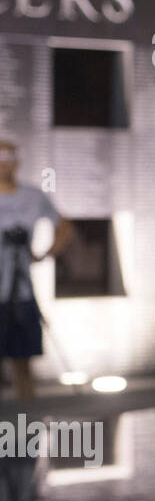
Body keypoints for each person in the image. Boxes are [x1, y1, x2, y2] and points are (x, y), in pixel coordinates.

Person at [0, 139, 75, 401]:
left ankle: (26, 423)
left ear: (17, 162)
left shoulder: (32, 197)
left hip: (21, 291)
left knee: (23, 362)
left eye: (8, 157)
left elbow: (65, 227)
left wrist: (44, 254)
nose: (3, 163)